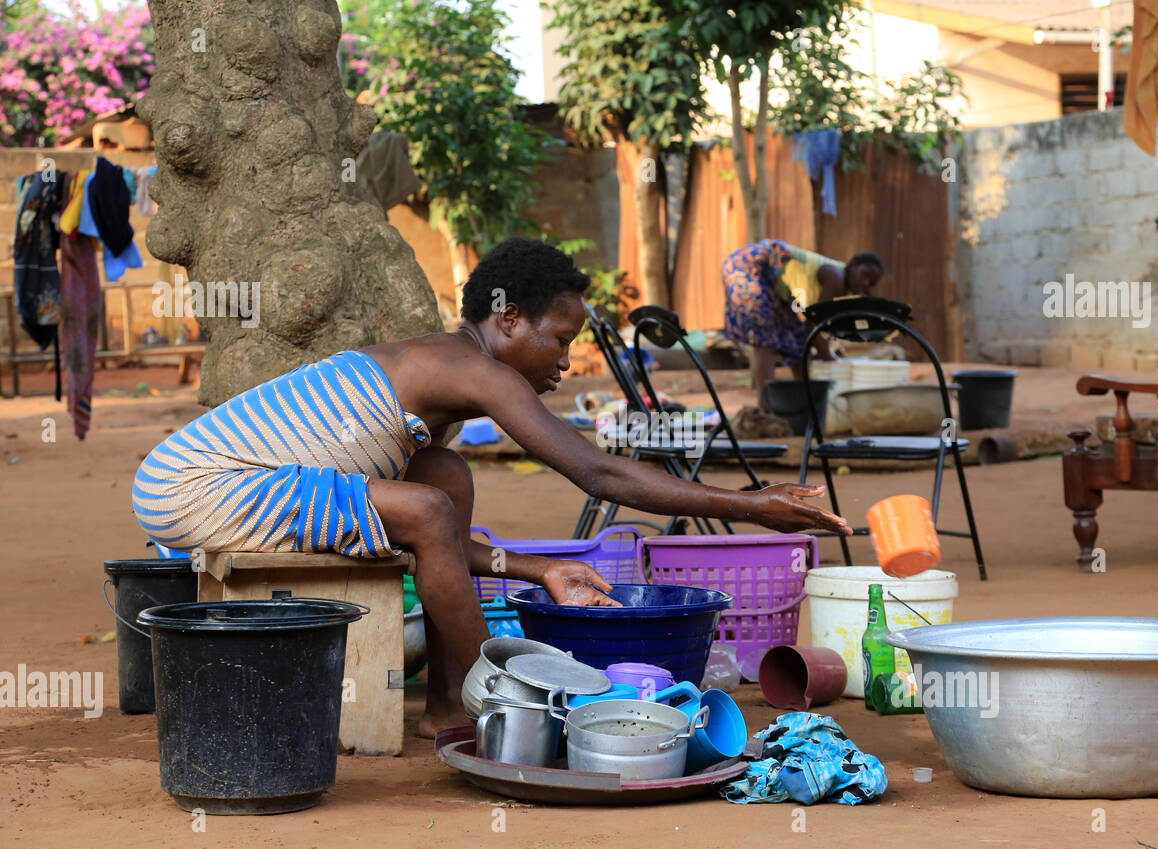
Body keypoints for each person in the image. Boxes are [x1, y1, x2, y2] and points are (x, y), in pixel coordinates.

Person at [133, 238, 851, 737]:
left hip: (239, 484)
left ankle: (447, 702)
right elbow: (596, 471)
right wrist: (753, 507)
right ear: (506, 320)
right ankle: (504, 703)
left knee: (442, 477)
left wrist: (541, 569)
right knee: (425, 499)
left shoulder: (449, 375)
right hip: (197, 487)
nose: (565, 362)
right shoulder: (475, 370)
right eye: (559, 339)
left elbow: (437, 538)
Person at [722, 240, 884, 407]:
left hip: (775, 286)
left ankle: (803, 406)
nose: (866, 284)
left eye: (872, 283)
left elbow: (813, 329)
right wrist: (829, 359)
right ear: (852, 265)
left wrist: (827, 355)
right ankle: (766, 408)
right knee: (766, 341)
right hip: (749, 265)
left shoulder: (840, 291)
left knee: (798, 344)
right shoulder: (836, 277)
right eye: (864, 275)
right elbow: (815, 325)